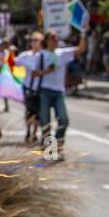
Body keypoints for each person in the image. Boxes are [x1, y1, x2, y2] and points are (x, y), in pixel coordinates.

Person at [34, 29, 86, 160]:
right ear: (47, 41)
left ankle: (57, 144)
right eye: (53, 38)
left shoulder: (62, 53)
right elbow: (34, 73)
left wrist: (83, 34)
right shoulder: (41, 55)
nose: (56, 40)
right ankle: (47, 148)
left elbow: (80, 49)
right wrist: (47, 71)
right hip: (44, 90)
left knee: (63, 119)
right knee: (45, 122)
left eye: (57, 38)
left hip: (58, 92)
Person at [18, 31, 45, 144]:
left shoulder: (44, 55)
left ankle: (35, 133)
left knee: (38, 112)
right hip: (28, 87)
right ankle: (28, 131)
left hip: (41, 87)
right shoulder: (25, 55)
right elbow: (13, 63)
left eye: (36, 40)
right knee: (29, 111)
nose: (33, 43)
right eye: (32, 40)